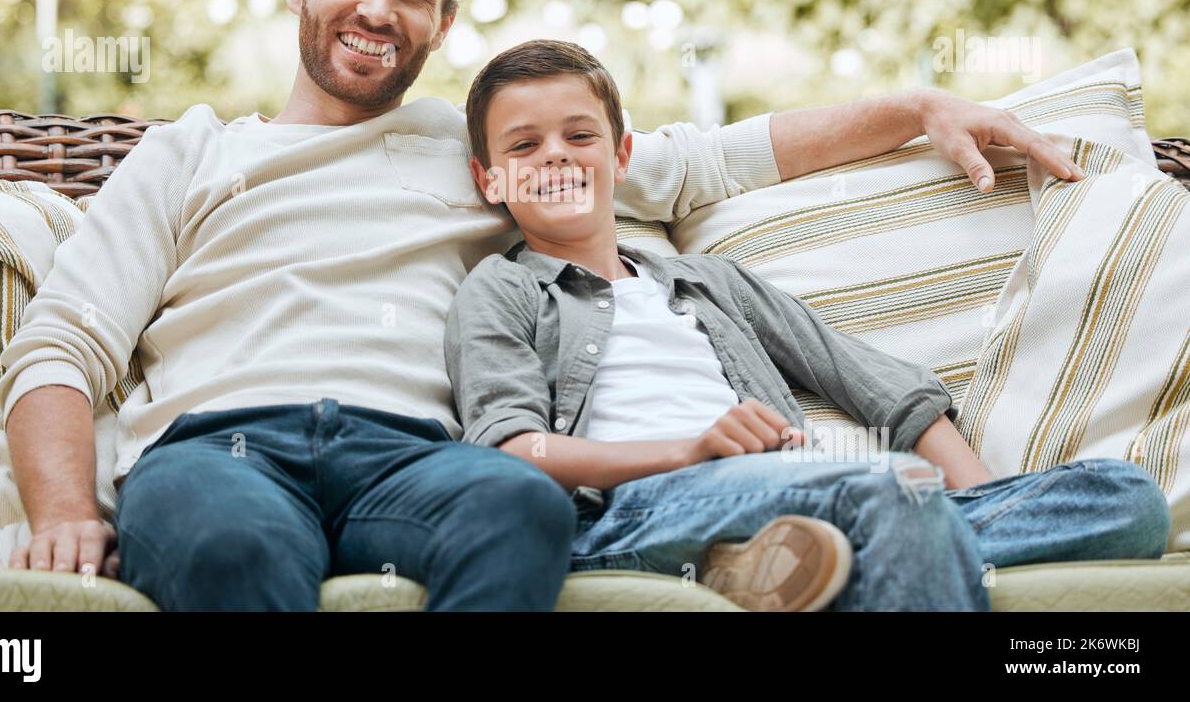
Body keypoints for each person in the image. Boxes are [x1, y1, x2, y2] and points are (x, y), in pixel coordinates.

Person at [0, 0, 1091, 611]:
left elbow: (711, 160)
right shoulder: (192, 151)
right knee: (232, 540)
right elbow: (60, 348)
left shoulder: (488, 148)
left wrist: (915, 109)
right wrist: (60, 513)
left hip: (416, 458)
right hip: (223, 445)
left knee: (518, 501)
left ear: (440, 19)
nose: (378, 8)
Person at [445, 38, 1173, 611]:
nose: (556, 157)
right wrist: (686, 449)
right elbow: (515, 448)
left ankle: (789, 561)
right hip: (629, 515)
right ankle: (860, 535)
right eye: (523, 146)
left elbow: (877, 385)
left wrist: (971, 502)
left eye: (579, 134)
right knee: (890, 490)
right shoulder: (500, 289)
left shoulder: (711, 283)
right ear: (489, 178)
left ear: (621, 154)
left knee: (1126, 499)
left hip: (789, 488)